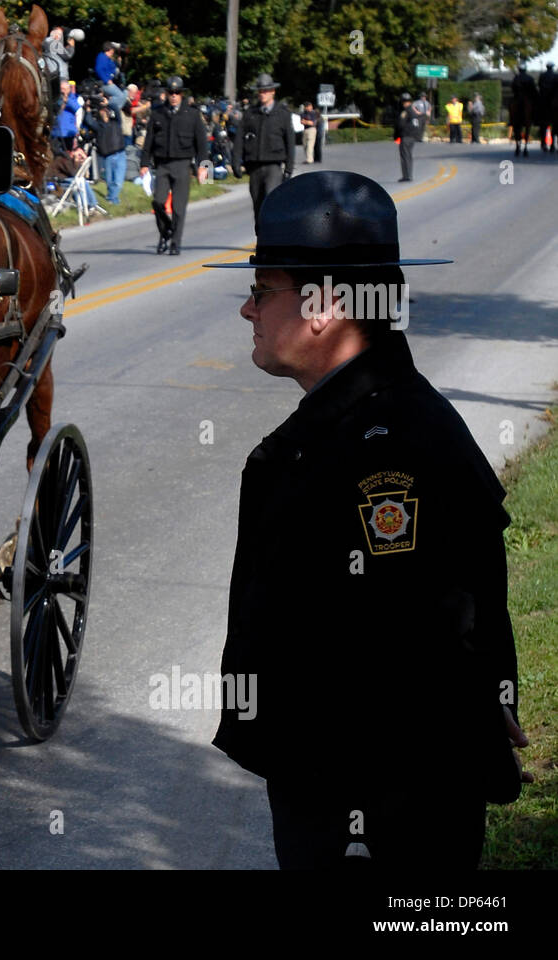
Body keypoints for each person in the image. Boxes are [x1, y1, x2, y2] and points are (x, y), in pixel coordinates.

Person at [202, 170, 528, 869]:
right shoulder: (361, 422)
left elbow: (411, 640)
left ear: (322, 307)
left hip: (370, 803)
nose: (247, 310)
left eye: (262, 291)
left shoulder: (387, 445)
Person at [140, 75, 208, 255]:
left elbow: (202, 144)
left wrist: (204, 166)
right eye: (171, 92)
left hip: (183, 164)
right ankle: (165, 232)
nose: (174, 95)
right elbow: (149, 142)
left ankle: (175, 242)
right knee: (158, 202)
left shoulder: (192, 115)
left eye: (177, 92)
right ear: (166, 93)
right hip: (162, 164)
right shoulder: (158, 113)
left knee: (178, 207)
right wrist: (144, 163)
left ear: (182, 94)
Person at [233, 73, 294, 232]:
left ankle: (274, 237)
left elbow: (290, 142)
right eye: (260, 91)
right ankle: (262, 239)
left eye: (266, 90)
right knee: (258, 204)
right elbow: (239, 138)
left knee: (271, 199)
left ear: (273, 91)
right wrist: (236, 163)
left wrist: (288, 168)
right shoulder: (250, 114)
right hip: (254, 166)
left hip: (274, 165)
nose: (263, 94)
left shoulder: (282, 113)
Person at [85, 94, 127, 204]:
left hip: (120, 154)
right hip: (108, 156)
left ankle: (113, 199)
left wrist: (108, 103)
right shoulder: (98, 126)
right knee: (109, 180)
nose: (103, 112)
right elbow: (89, 121)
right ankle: (112, 198)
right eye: (101, 110)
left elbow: (116, 109)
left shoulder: (116, 122)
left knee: (118, 181)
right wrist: (88, 109)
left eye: (105, 110)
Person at [394, 92, 422, 181]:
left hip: (405, 136)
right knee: (409, 156)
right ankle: (409, 174)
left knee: (405, 156)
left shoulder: (405, 112)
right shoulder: (414, 111)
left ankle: (406, 176)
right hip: (412, 137)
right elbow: (418, 124)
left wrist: (396, 135)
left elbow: (400, 124)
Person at [94, 42, 126, 112]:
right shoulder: (102, 57)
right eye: (112, 51)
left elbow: (113, 68)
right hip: (104, 83)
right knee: (120, 96)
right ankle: (110, 108)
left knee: (125, 93)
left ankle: (113, 109)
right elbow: (99, 69)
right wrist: (107, 80)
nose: (113, 52)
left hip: (109, 82)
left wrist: (117, 62)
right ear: (109, 50)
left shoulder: (108, 59)